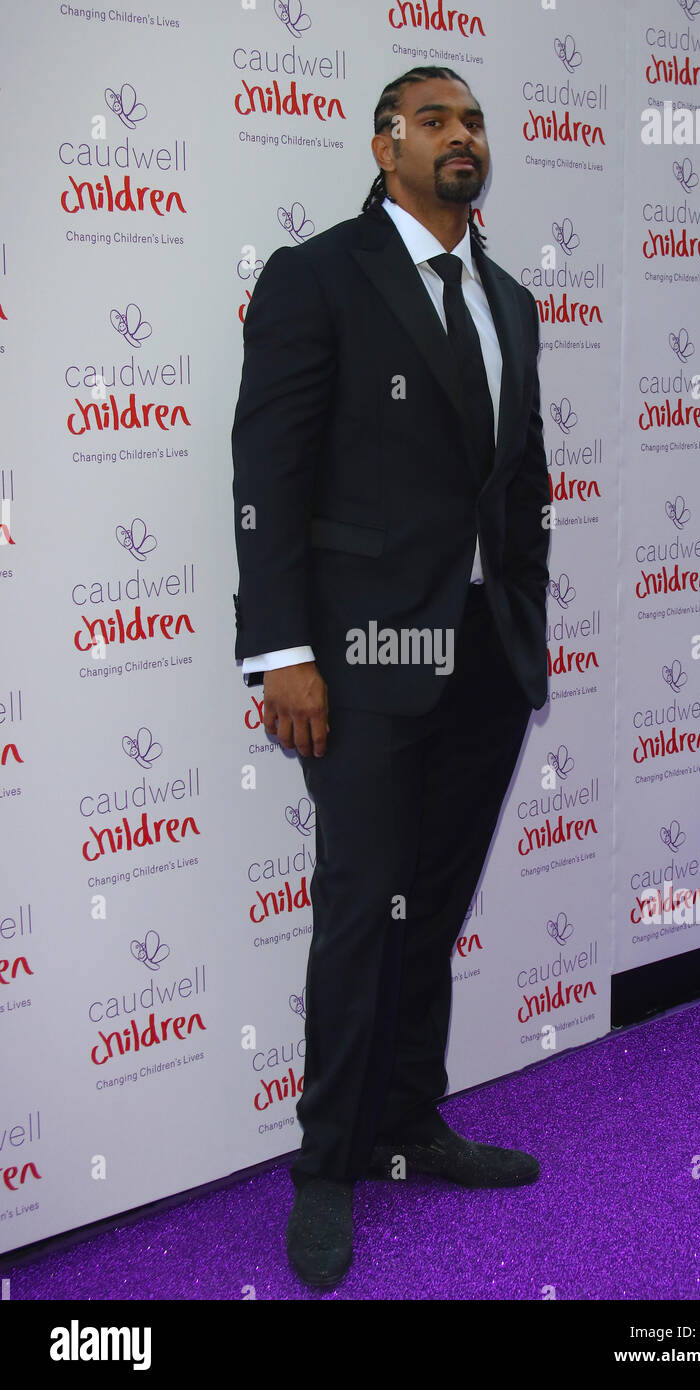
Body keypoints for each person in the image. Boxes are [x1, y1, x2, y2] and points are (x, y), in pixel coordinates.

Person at [231, 65, 551, 1290]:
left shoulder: (509, 299)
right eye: (433, 120)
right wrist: (285, 652)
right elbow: (269, 468)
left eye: (471, 120)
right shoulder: (320, 276)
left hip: (480, 654)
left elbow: (517, 484)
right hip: (361, 658)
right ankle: (327, 1163)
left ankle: (411, 1125)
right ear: (383, 147)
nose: (459, 136)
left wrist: (522, 619)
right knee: (362, 910)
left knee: (434, 896)